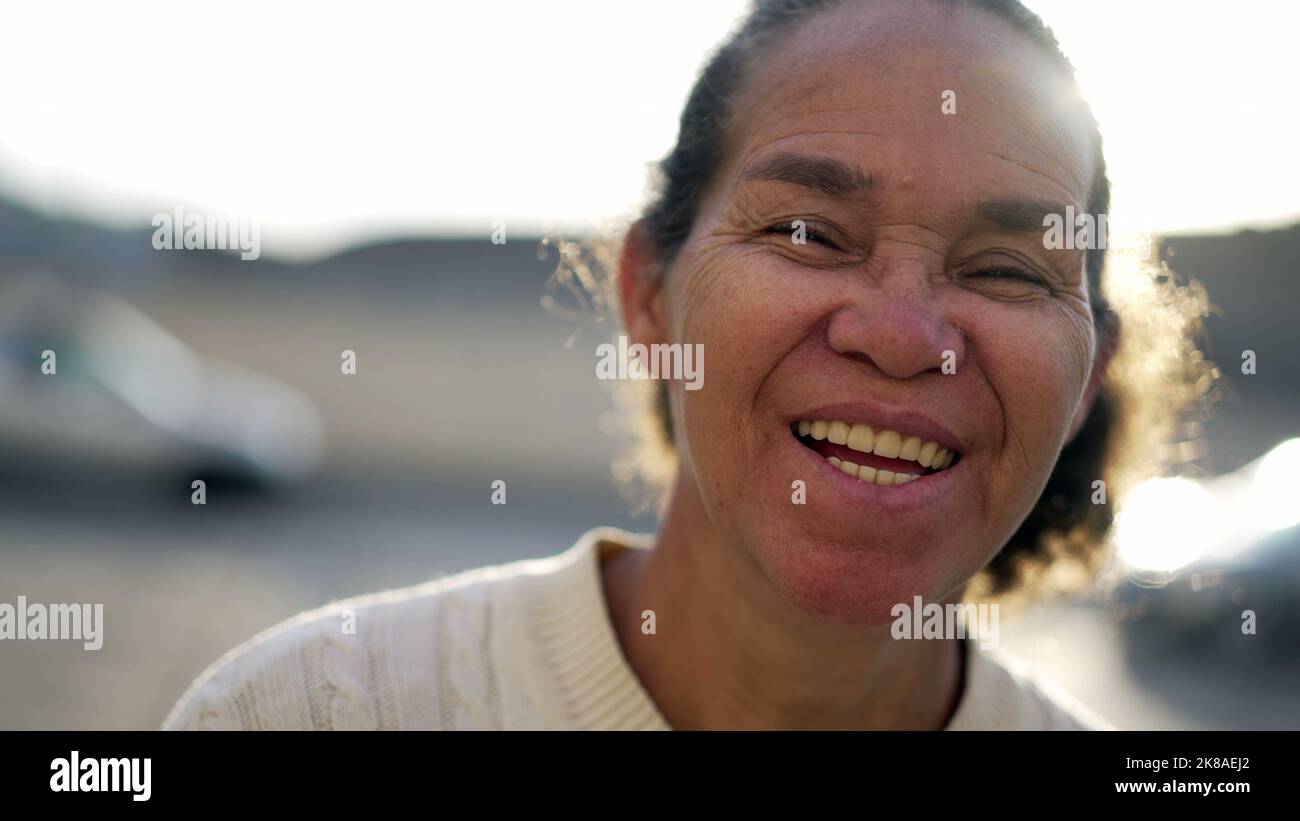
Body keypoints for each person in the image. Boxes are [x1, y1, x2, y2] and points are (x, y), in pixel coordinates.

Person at [165, 0, 1206, 730]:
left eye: (1005, 268)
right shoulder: (308, 712)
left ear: (1086, 374)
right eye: (806, 230)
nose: (900, 334)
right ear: (649, 295)